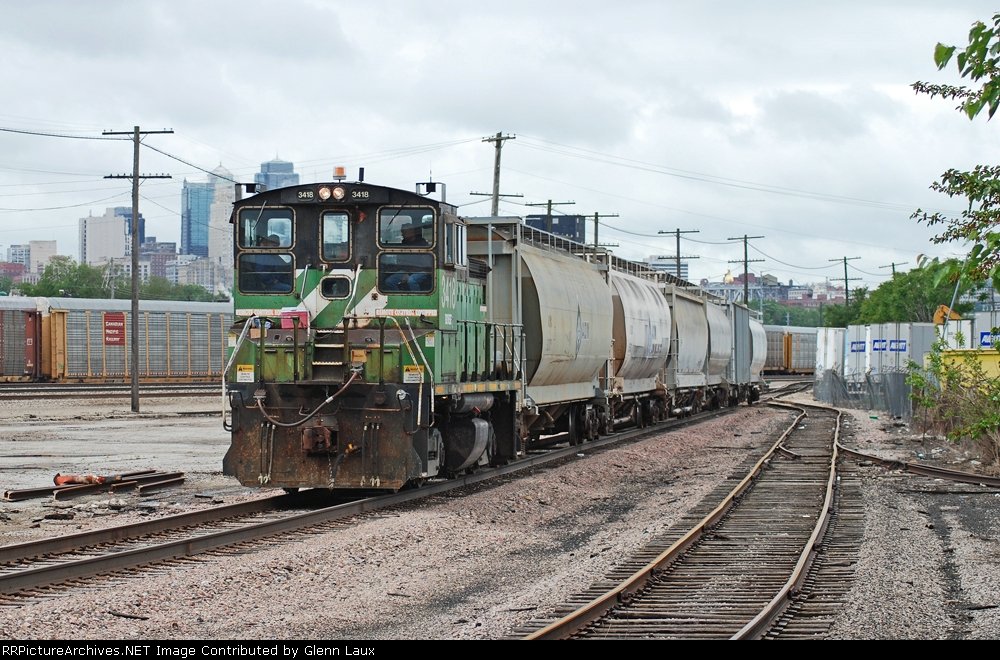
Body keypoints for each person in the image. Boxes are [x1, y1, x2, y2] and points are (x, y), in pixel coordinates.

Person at [383, 221, 432, 292]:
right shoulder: (404, 243)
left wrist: (408, 274)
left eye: (404, 232)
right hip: (407, 270)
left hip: (422, 271)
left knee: (411, 280)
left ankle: (416, 300)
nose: (402, 235)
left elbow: (423, 264)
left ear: (411, 232)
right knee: (389, 281)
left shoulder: (421, 244)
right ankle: (399, 300)